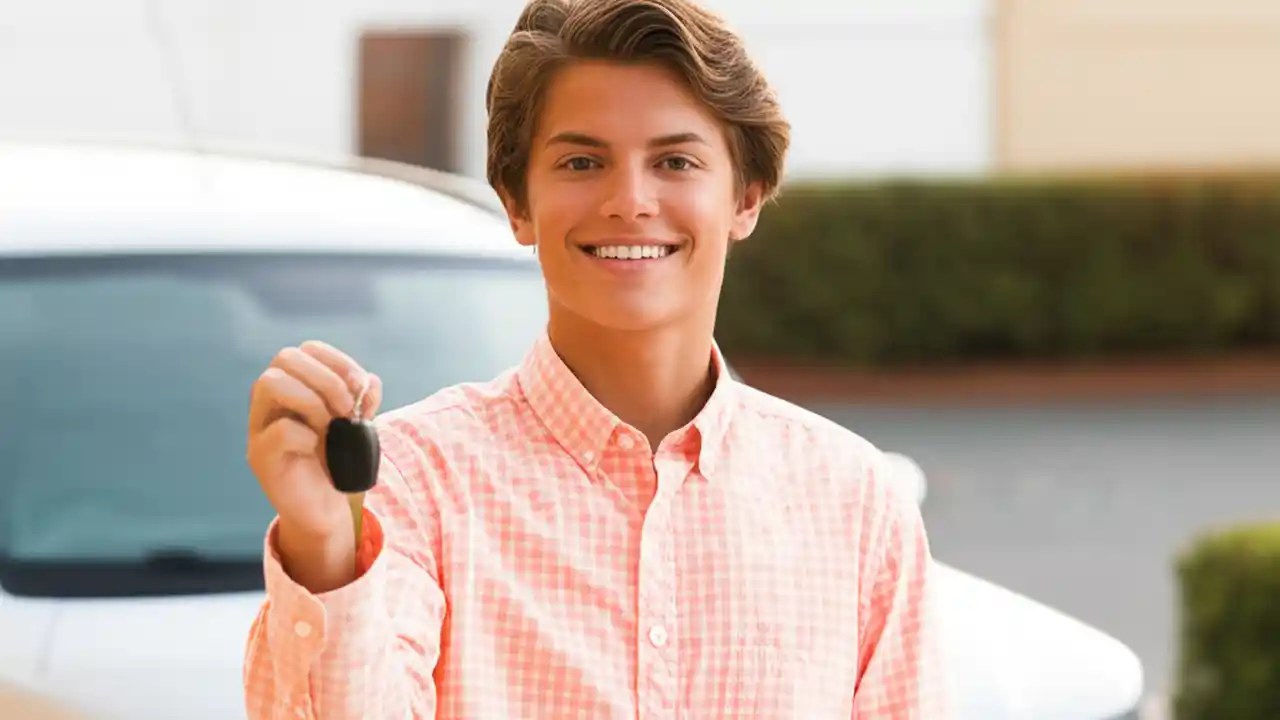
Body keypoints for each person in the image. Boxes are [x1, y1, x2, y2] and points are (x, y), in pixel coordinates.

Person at [242, 0, 948, 717]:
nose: (630, 200)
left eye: (675, 161)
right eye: (583, 161)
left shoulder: (854, 500)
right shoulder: (412, 484)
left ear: (746, 197)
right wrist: (327, 549)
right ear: (517, 203)